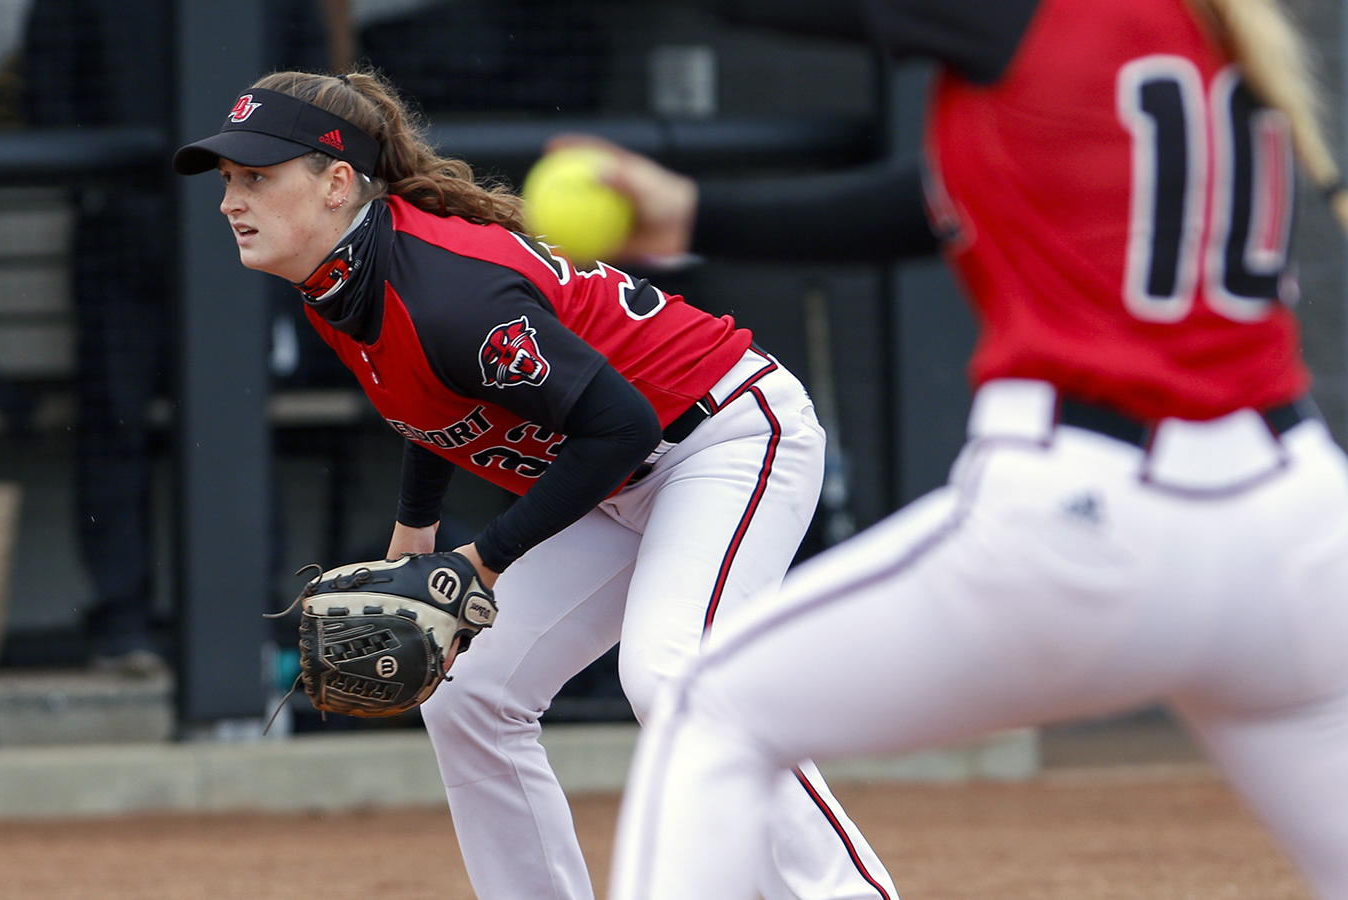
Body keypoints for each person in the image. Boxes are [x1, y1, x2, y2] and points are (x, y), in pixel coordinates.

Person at [571, 1, 1348, 899]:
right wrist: (702, 216)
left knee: (710, 707)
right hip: (1297, 531)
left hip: (1090, 512)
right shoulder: (1203, 26)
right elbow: (940, 207)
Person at [174, 69, 900, 900]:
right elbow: (439, 398)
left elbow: (622, 426)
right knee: (469, 693)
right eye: (230, 179)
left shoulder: (447, 289)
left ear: (338, 183)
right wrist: (416, 537)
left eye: (258, 177)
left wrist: (480, 562)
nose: (233, 199)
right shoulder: (338, 278)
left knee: (674, 675)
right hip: (616, 476)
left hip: (724, 436)